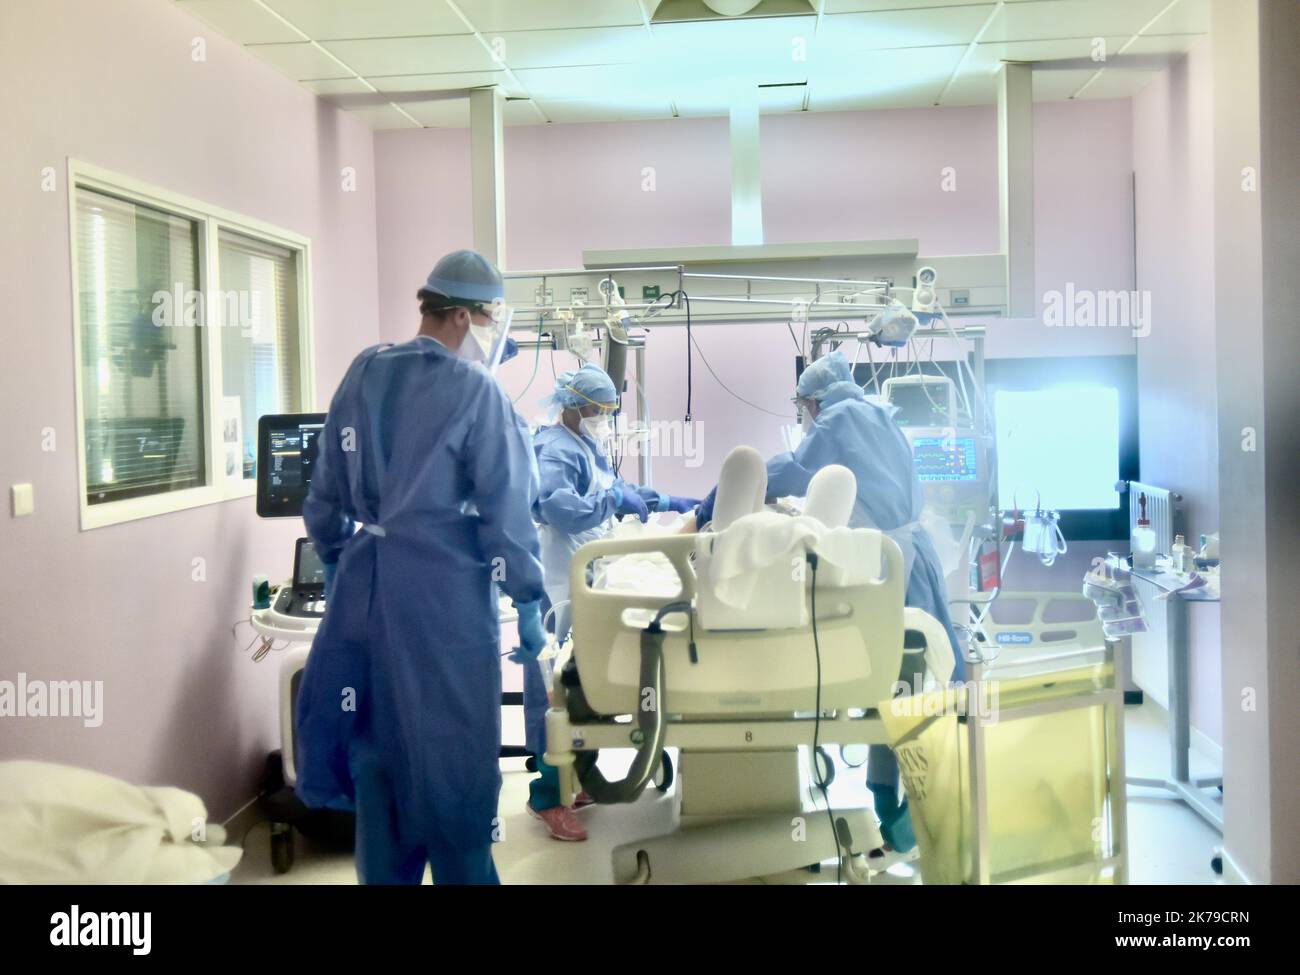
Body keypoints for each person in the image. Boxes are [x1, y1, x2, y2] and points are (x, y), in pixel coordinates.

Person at [295, 249, 548, 885]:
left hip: (364, 595)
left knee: (377, 761)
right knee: (451, 762)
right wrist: (526, 599)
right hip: (443, 602)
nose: (493, 334)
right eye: (490, 318)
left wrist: (341, 561)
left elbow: (322, 495)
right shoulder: (476, 392)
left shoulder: (364, 370)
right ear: (461, 316)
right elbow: (507, 510)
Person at [697, 350, 962, 862]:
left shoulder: (839, 419)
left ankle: (913, 816)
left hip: (886, 564)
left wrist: (706, 507)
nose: (804, 416)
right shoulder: (878, 412)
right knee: (900, 687)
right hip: (900, 559)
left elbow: (793, 469)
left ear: (812, 402)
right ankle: (895, 816)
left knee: (899, 693)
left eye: (802, 407)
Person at [525, 363, 698, 841]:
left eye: (609, 411)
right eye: (599, 411)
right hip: (560, 578)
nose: (604, 418)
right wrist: (612, 503)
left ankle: (577, 776)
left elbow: (614, 490)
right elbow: (559, 505)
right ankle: (546, 796)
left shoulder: (586, 444)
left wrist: (669, 500)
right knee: (554, 685)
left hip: (589, 572)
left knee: (584, 678)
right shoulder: (553, 449)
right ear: (575, 405)